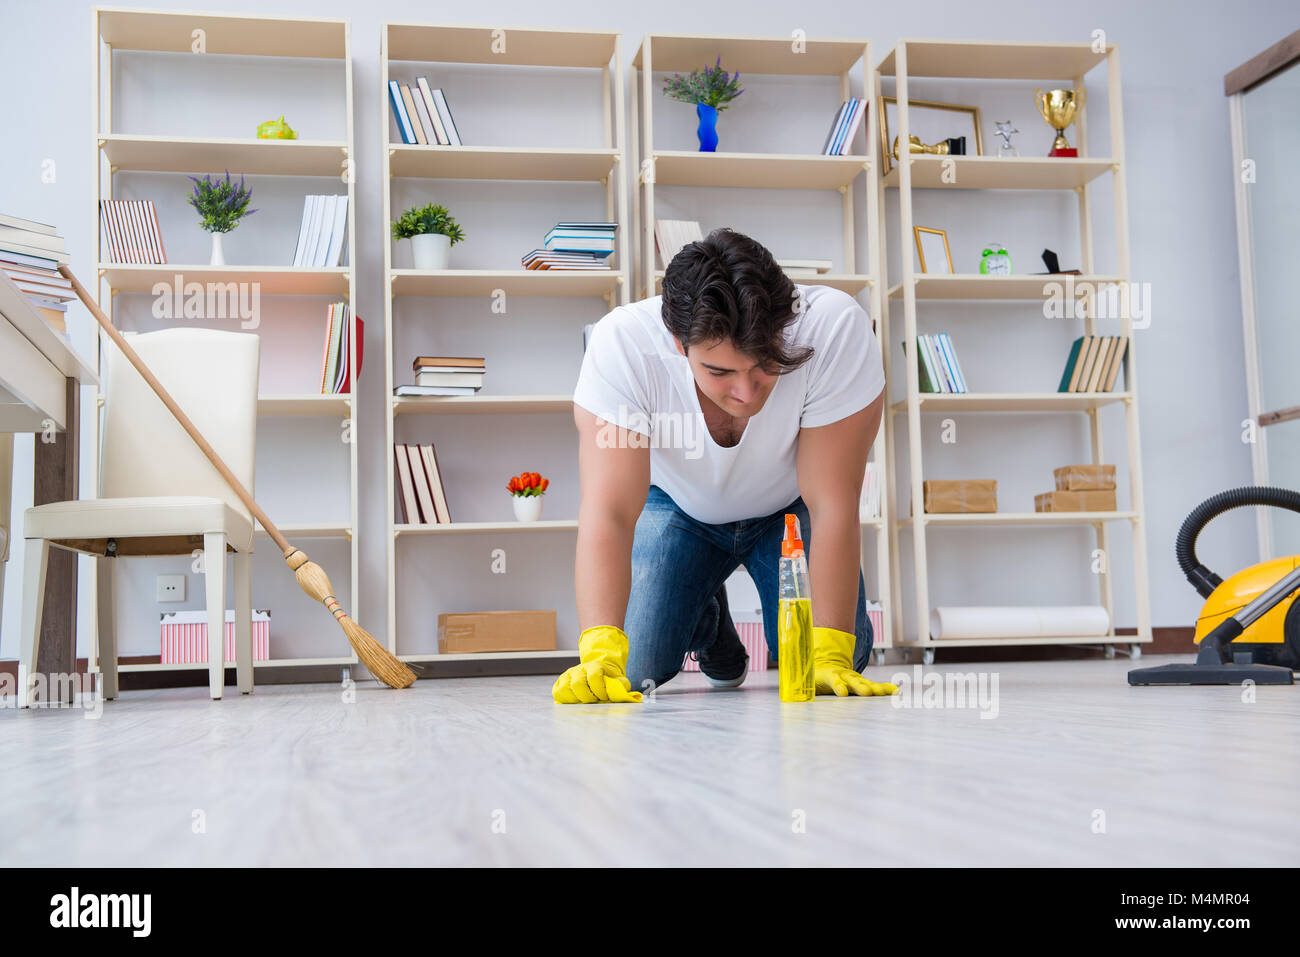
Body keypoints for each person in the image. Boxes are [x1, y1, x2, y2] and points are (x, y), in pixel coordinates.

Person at [554, 227, 897, 704]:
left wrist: (831, 651)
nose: (746, 392)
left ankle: (710, 596)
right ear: (678, 342)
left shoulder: (834, 330)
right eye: (720, 372)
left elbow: (833, 503)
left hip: (788, 511)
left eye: (765, 366)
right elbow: (609, 512)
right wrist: (598, 651)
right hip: (678, 505)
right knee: (634, 669)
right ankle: (711, 625)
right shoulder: (624, 346)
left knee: (822, 665)